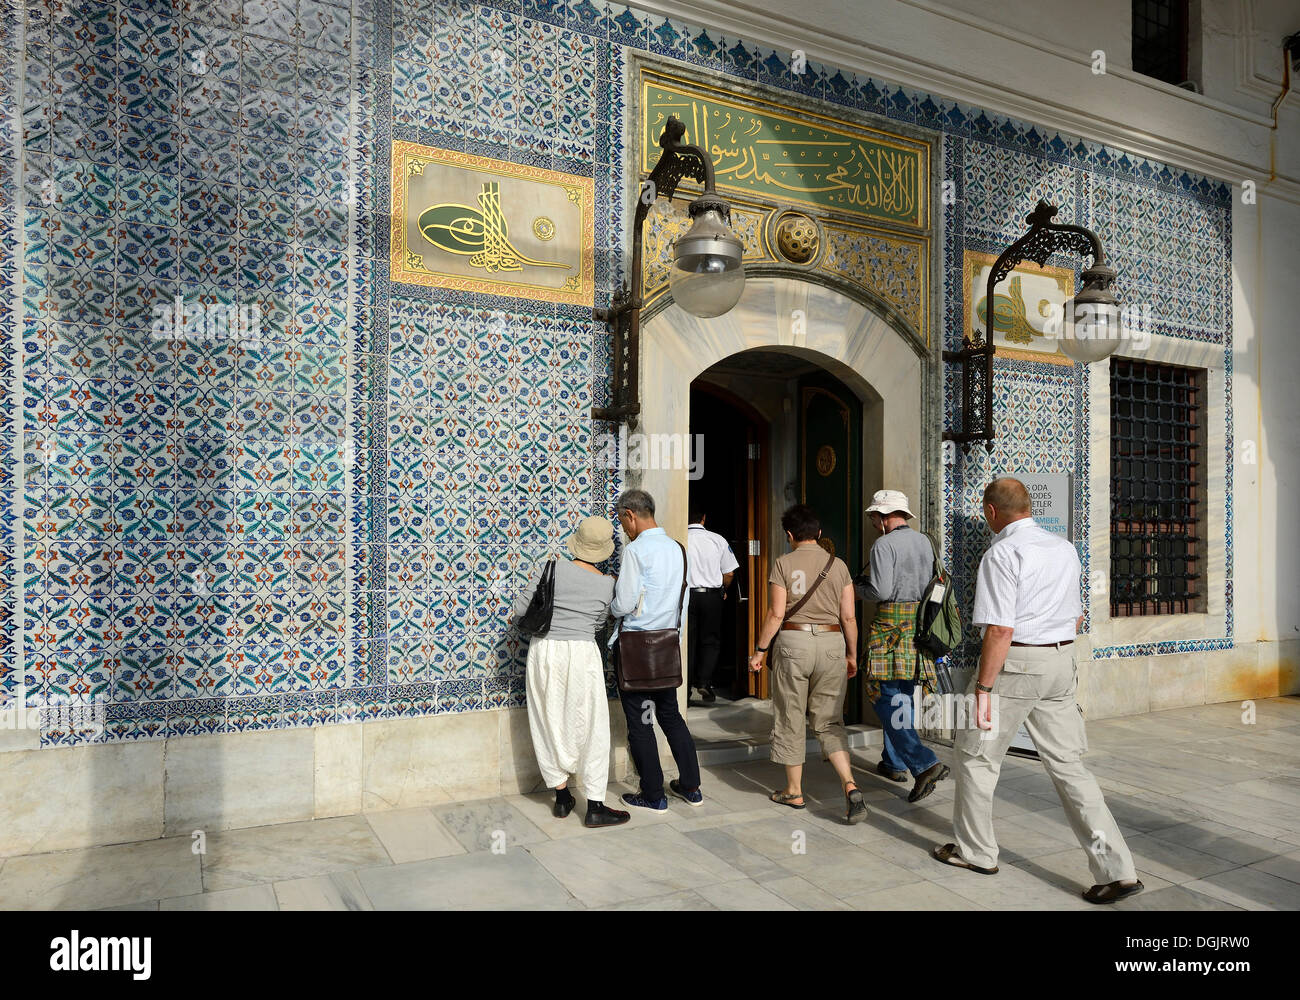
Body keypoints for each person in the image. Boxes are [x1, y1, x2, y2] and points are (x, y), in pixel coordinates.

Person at [932, 477, 1143, 904]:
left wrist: (985, 688)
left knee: (975, 756)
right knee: (1070, 768)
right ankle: (1117, 870)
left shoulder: (1002, 553)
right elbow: (1078, 615)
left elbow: (1000, 629)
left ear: (992, 512)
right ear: (1028, 507)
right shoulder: (1064, 548)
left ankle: (977, 852)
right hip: (1062, 661)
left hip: (1018, 665)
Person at [749, 504, 866, 824]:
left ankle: (794, 790)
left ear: (789, 535)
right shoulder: (838, 565)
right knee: (829, 722)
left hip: (793, 644)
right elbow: (848, 617)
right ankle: (850, 784)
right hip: (832, 644)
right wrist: (852, 654)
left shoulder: (782, 563)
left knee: (791, 716)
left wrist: (760, 651)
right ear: (818, 534)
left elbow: (775, 614)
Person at [511, 516, 630, 828]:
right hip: (581, 654)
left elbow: (520, 610)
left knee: (546, 720)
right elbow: (598, 624)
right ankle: (594, 805)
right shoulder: (607, 584)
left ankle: (562, 798)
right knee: (592, 727)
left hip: (543, 652)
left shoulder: (549, 568)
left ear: (576, 542)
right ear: (603, 550)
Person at [611, 489, 704, 811]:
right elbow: (684, 599)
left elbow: (623, 602)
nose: (623, 528)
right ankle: (691, 786)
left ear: (630, 515)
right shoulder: (679, 549)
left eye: (622, 521)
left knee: (640, 722)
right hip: (666, 644)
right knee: (671, 716)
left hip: (637, 647)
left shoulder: (637, 551)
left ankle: (653, 794)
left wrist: (611, 606)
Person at [855, 489, 950, 803]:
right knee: (902, 696)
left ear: (884, 516)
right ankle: (894, 762)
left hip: (890, 629)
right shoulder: (924, 541)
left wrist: (856, 589)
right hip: (918, 628)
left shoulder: (883, 544)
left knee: (886, 697)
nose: (871, 521)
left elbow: (880, 590)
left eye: (873, 516)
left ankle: (924, 763)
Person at [686, 507, 739, 703]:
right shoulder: (718, 540)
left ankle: (685, 689)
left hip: (686, 596)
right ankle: (704, 682)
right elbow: (730, 572)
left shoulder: (680, 539)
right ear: (704, 518)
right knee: (711, 641)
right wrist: (723, 589)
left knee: (687, 642)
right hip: (711, 596)